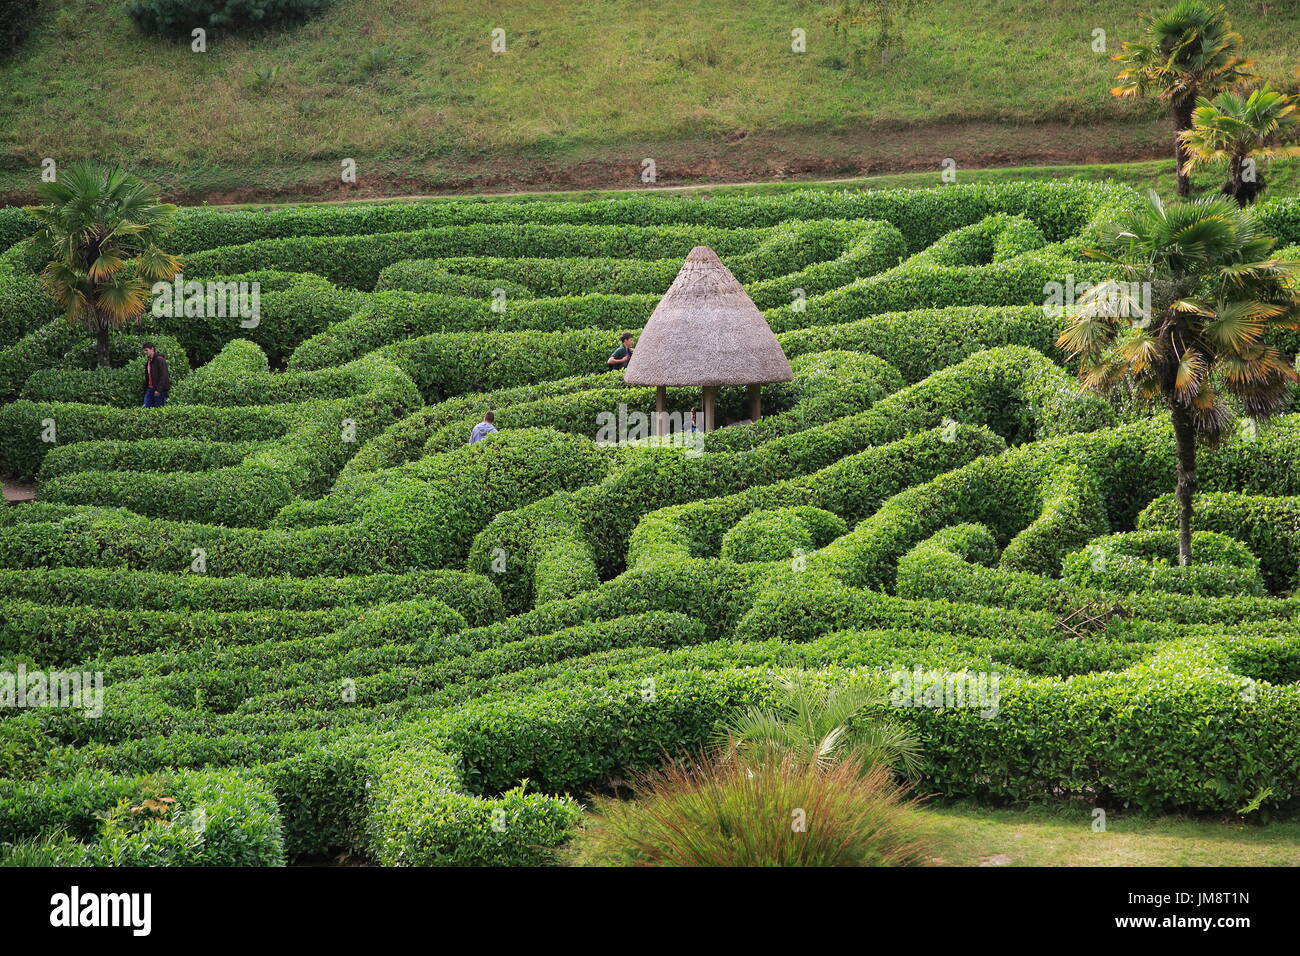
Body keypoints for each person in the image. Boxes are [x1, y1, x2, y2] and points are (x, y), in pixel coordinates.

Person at [141, 342, 171, 408]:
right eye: (144, 350)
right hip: (150, 388)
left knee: (158, 409)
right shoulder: (148, 361)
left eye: (146, 350)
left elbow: (164, 376)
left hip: (159, 389)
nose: (145, 352)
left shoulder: (160, 360)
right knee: (146, 407)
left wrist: (159, 390)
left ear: (152, 349)